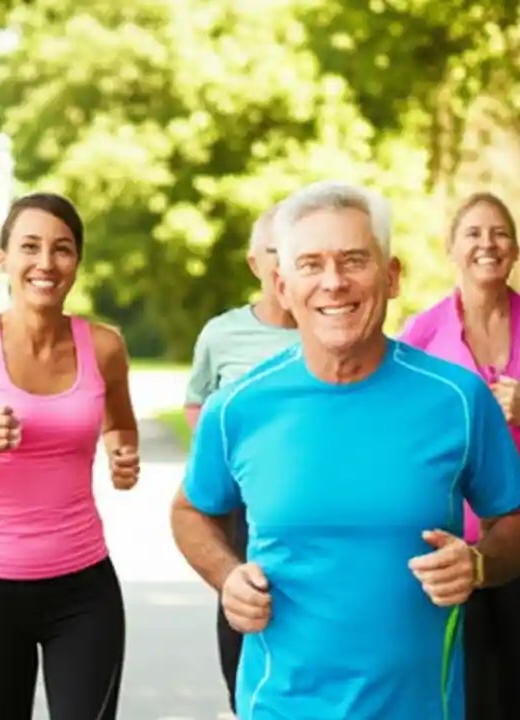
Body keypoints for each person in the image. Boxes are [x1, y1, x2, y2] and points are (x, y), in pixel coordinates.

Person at [171, 180, 520, 719]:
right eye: (312, 265)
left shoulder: (457, 400)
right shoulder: (237, 407)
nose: (334, 283)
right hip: (278, 705)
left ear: (390, 277)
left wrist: (480, 564)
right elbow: (191, 510)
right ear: (282, 283)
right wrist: (227, 575)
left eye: (353, 261)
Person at [0, 193, 140, 720]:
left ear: (77, 262)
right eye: (29, 247)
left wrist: (121, 455)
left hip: (84, 592)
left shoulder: (104, 347)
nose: (46, 263)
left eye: (62, 249)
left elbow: (120, 425)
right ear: (3, 258)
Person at [399, 192, 520, 720]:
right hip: (447, 541)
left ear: (515, 250)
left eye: (499, 233)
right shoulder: (422, 333)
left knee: (509, 694)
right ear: (451, 249)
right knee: (453, 693)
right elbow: (398, 432)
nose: (487, 244)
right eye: (473, 233)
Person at [183, 203, 298, 713]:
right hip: (242, 509)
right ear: (256, 263)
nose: (286, 265)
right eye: (276, 252)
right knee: (243, 613)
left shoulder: (327, 329)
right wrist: (222, 458)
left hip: (312, 504)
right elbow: (196, 402)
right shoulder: (222, 334)